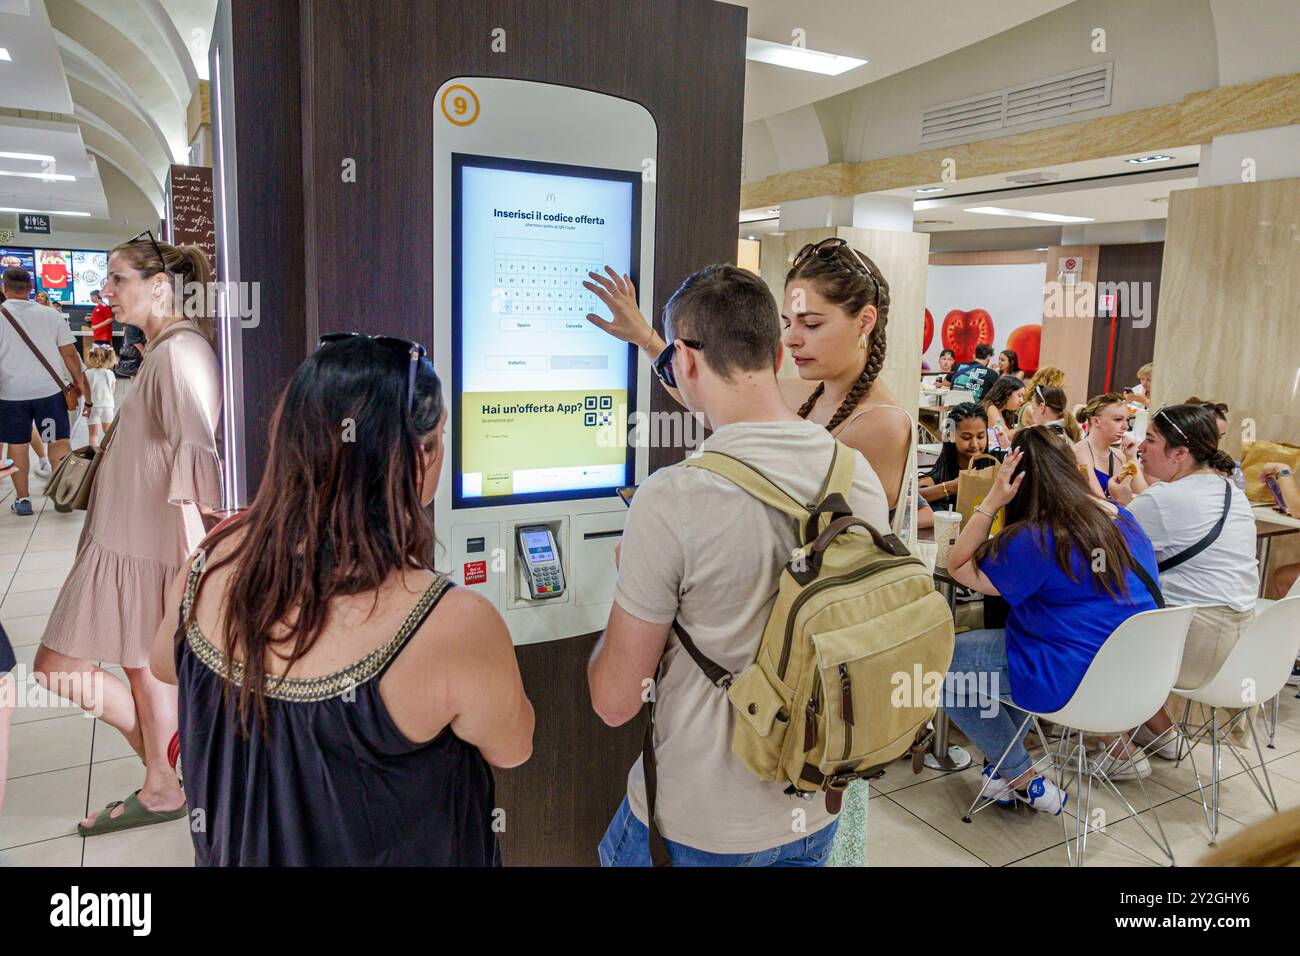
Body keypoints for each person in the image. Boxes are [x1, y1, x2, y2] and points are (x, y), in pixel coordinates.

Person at [150, 335, 533, 865]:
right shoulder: (452, 623)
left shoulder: (209, 564)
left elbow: (162, 665)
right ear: (418, 458)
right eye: (439, 437)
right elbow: (514, 747)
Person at [588, 264, 891, 867]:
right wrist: (658, 342)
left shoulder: (671, 499)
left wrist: (633, 584)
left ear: (686, 362)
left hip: (700, 824)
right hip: (812, 809)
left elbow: (614, 700)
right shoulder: (855, 476)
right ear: (777, 353)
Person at [32, 236, 223, 836]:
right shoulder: (167, 348)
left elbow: (196, 460)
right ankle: (170, 780)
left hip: (142, 551)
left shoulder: (178, 353)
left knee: (55, 666)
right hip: (130, 548)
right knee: (141, 670)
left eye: (116, 279)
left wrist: (195, 569)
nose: (105, 292)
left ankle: (172, 779)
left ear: (160, 285)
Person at [942, 428, 1159, 811]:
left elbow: (957, 566)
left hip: (1070, 678)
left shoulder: (1040, 538)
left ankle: (1022, 777)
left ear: (1018, 478)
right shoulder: (1123, 518)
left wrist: (992, 500)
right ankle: (1001, 773)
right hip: (1134, 677)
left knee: (938, 668)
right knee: (1001, 660)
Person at [1094, 404, 1258, 768]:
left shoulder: (1164, 499)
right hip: (1241, 645)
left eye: (1151, 441)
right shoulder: (1230, 490)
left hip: (1195, 644)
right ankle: (1165, 736)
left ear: (1180, 454)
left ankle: (1120, 752)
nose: (1140, 449)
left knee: (1086, 630)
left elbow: (1103, 549)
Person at [0, 266, 87, 516]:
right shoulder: (50, 315)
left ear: (5, 289)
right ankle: (63, 496)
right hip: (48, 394)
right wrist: (78, 381)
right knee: (57, 441)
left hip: (11, 396)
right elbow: (69, 353)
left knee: (17, 444)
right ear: (30, 289)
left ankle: (23, 499)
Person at [919, 402, 993, 511]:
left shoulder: (995, 464)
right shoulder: (941, 474)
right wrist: (950, 487)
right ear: (950, 435)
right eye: (966, 437)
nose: (975, 444)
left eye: (980, 436)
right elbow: (911, 498)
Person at [1073, 392, 1147, 501]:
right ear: (1096, 421)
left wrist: (1131, 457)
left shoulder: (1121, 455)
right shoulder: (1079, 452)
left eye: (1127, 420)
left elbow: (1143, 496)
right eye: (1118, 419)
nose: (1126, 426)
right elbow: (1098, 503)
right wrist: (1124, 502)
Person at [1017, 384, 1081, 443]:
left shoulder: (1038, 437)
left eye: (1033, 408)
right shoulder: (1068, 431)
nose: (1033, 412)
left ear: (1042, 407)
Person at [83, 346, 117, 448]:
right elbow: (112, 390)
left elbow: (85, 390)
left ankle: (93, 456)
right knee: (108, 434)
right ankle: (111, 454)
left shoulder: (87, 373)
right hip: (107, 406)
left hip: (93, 406)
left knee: (93, 434)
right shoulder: (110, 373)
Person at [980, 375, 1025, 452]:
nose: (1022, 400)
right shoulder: (991, 408)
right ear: (1007, 393)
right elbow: (1004, 435)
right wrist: (1030, 429)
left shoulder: (1003, 411)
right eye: (1019, 396)